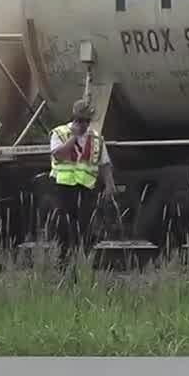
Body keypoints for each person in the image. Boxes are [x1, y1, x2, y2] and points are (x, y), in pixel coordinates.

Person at [47, 99, 116, 262]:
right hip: (63, 187)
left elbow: (104, 162)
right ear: (75, 119)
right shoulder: (60, 133)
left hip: (86, 188)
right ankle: (63, 263)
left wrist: (109, 183)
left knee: (85, 228)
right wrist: (74, 138)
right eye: (81, 120)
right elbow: (58, 154)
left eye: (87, 121)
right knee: (63, 227)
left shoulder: (96, 138)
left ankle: (83, 261)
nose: (85, 124)